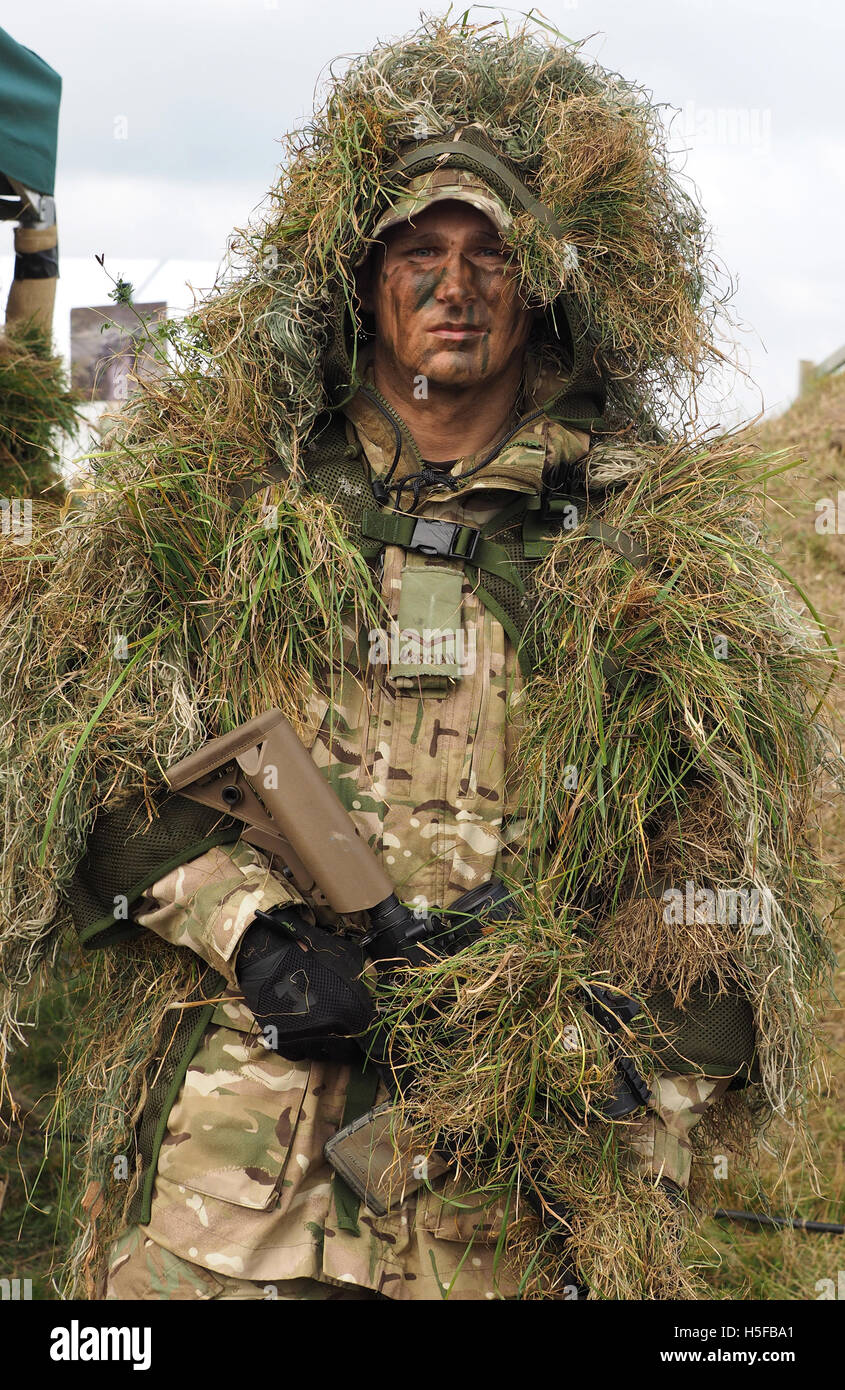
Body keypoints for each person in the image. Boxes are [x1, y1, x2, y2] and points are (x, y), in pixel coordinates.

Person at [1, 18, 831, 1303]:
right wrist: (253, 932)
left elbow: (731, 879)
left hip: (505, 1207)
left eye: (492, 254)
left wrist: (576, 1005)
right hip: (226, 1201)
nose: (457, 287)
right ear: (362, 283)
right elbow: (84, 782)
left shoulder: (637, 550)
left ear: (538, 289)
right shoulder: (232, 507)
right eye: (420, 253)